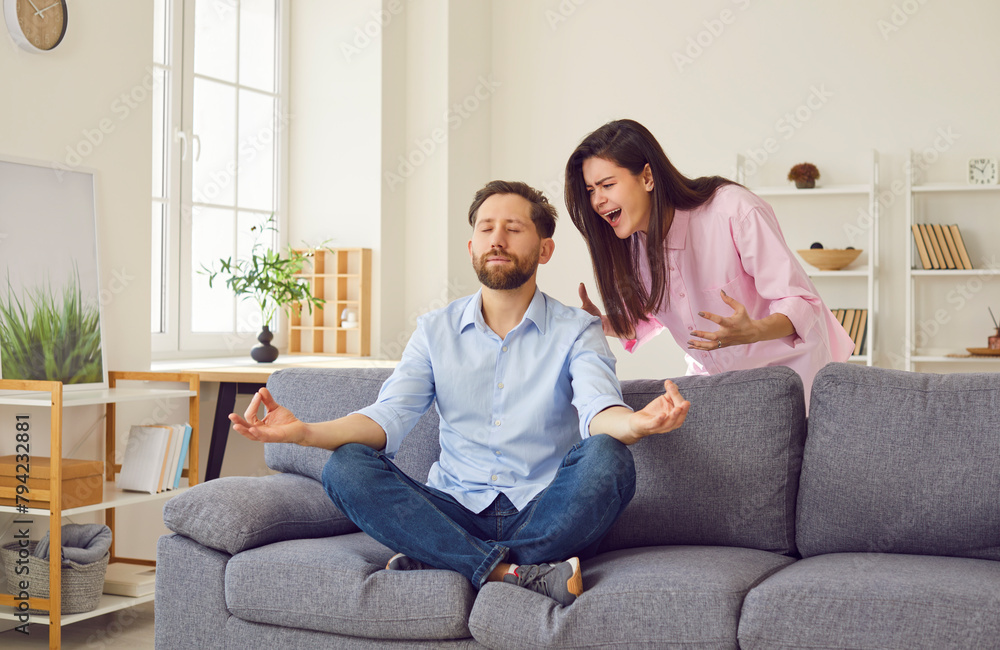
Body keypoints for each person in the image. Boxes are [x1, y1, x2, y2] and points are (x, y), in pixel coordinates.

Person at [230, 180, 690, 607]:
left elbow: (597, 410)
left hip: (543, 508)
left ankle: (446, 557)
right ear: (471, 246)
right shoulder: (434, 331)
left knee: (608, 457)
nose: (497, 240)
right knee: (347, 466)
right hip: (453, 508)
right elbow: (387, 416)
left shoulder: (578, 330)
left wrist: (635, 423)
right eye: (486, 229)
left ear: (545, 249)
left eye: (514, 229)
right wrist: (304, 432)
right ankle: (511, 571)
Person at [564, 119, 853, 402]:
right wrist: (604, 324)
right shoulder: (632, 245)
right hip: (718, 384)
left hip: (793, 381)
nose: (597, 201)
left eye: (606, 185)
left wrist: (754, 330)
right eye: (591, 191)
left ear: (648, 177)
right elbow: (650, 314)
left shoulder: (733, 212)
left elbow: (802, 303)